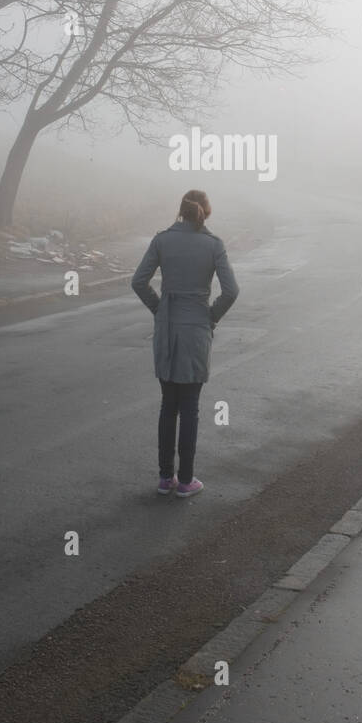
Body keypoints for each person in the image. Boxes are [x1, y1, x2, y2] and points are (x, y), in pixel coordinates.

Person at [131, 189, 239, 497]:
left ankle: (165, 479)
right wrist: (210, 317)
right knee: (189, 407)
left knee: (169, 405)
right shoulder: (213, 245)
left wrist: (159, 308)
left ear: (180, 210)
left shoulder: (162, 240)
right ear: (206, 211)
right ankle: (186, 480)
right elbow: (231, 291)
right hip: (195, 331)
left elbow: (139, 281)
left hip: (166, 329)